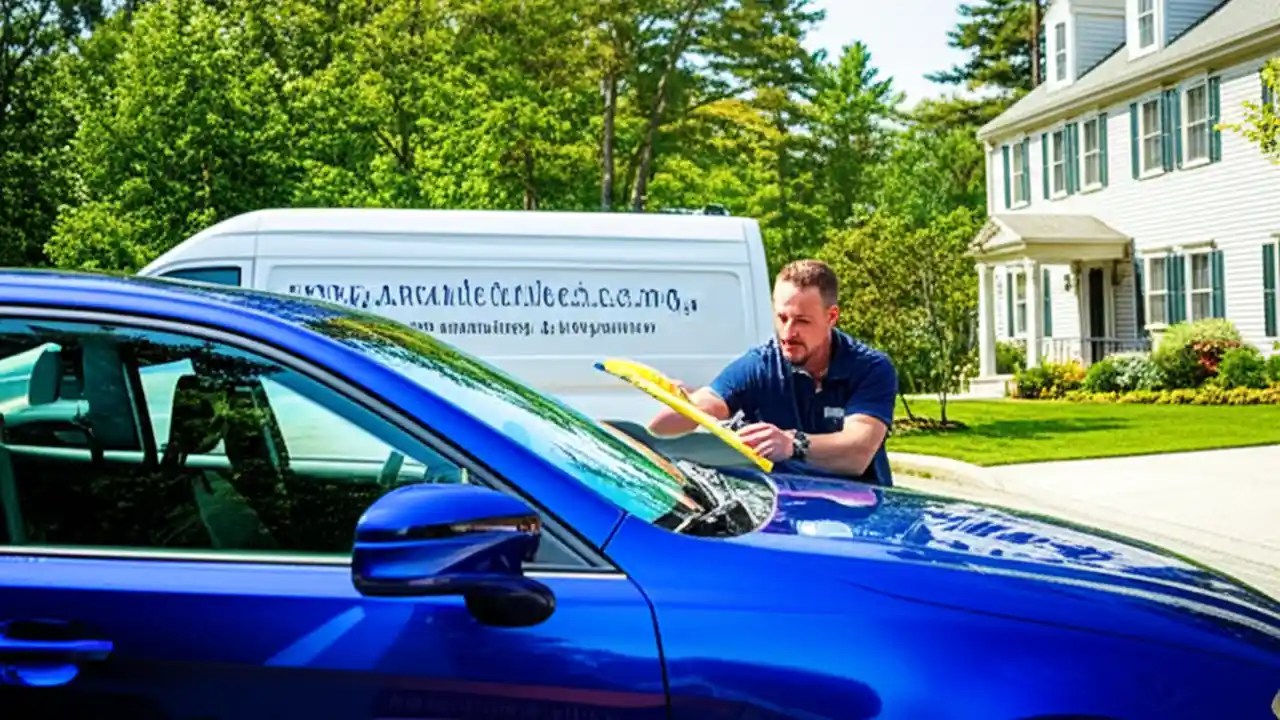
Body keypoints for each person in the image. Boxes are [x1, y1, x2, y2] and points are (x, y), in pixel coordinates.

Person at [647, 259, 897, 486]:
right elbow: (666, 425)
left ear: (831, 316)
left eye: (802, 321)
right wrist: (682, 405)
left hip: (860, 515)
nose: (788, 333)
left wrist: (792, 445)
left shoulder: (871, 368)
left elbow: (857, 453)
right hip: (785, 514)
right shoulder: (760, 364)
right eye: (782, 318)